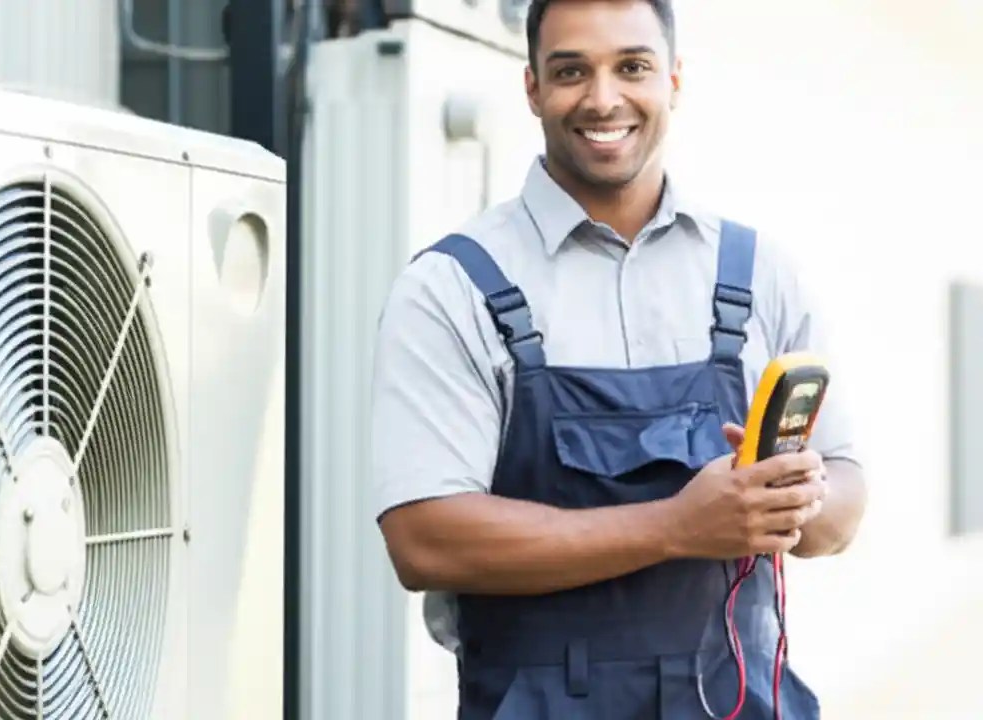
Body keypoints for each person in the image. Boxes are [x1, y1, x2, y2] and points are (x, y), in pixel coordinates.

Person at [369, 0, 868, 717]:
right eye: (571, 71)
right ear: (533, 88)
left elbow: (843, 494)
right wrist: (678, 526)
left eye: (631, 67)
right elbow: (425, 541)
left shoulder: (763, 275)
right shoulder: (451, 289)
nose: (603, 99)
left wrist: (796, 499)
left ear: (673, 79)